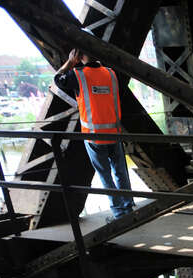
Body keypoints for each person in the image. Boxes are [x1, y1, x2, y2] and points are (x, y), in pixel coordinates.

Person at [52, 48, 135, 219]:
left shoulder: (77, 75)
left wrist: (69, 62)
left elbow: (57, 80)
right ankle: (128, 209)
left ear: (79, 56)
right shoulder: (111, 74)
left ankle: (119, 214)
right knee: (120, 172)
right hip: (115, 133)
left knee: (105, 176)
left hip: (94, 136)